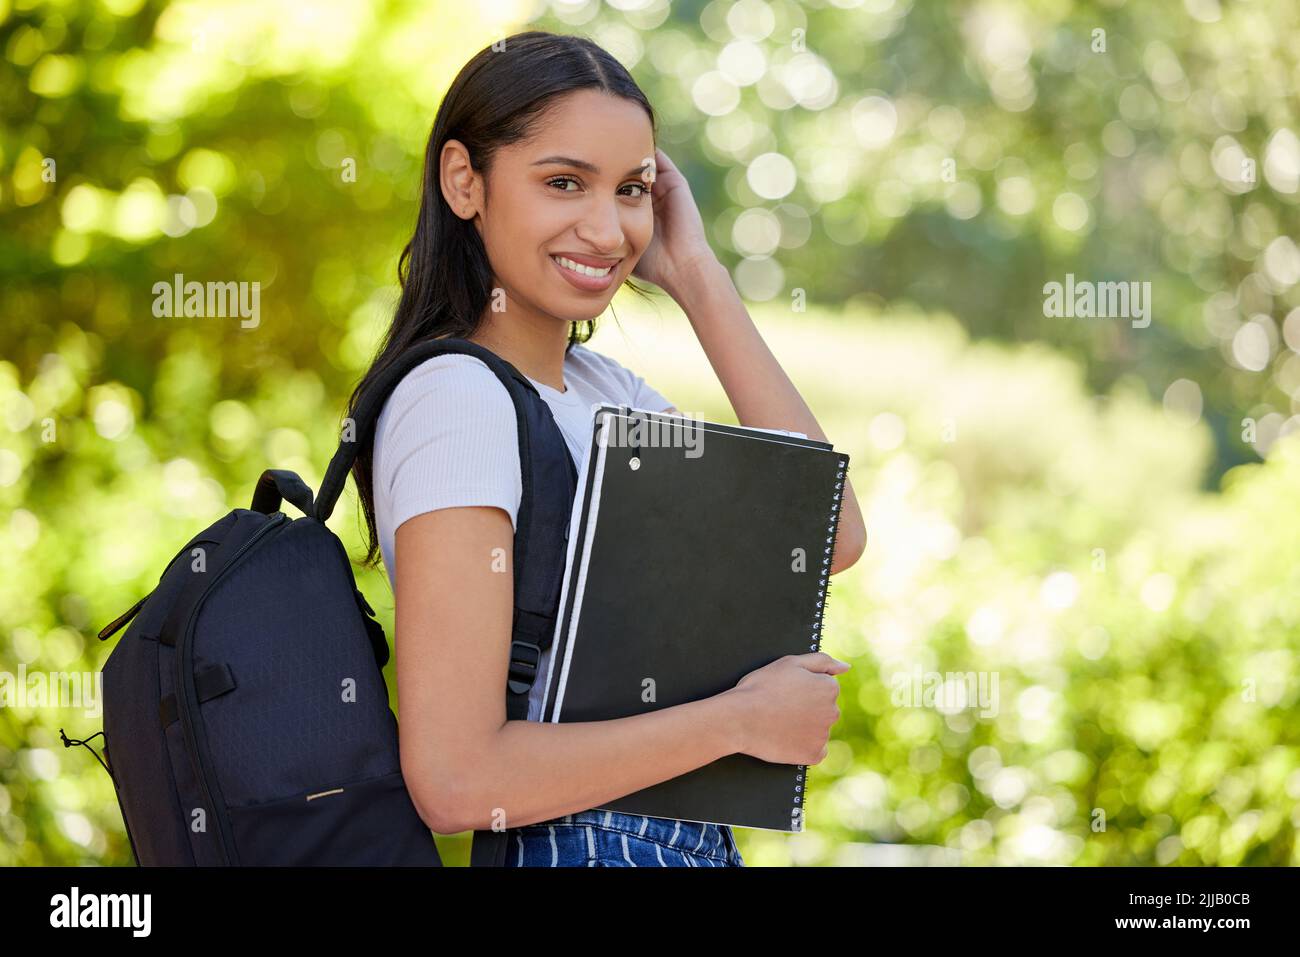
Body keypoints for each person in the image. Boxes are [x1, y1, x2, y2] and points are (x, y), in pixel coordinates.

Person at [344, 30, 868, 867]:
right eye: (563, 183)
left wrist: (697, 273)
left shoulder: (603, 391)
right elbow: (454, 777)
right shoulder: (456, 402)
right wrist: (736, 721)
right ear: (463, 181)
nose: (607, 228)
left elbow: (827, 533)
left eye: (631, 190)